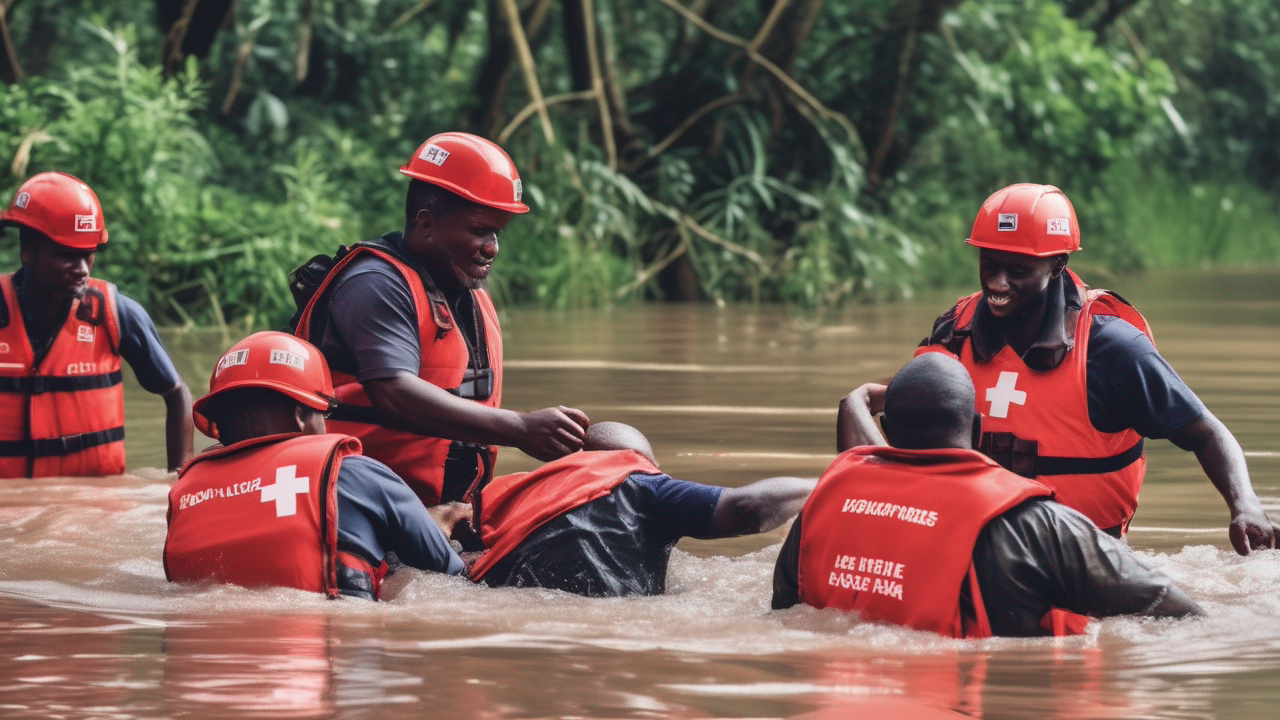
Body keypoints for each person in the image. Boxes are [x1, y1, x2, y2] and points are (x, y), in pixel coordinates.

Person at [909, 183, 1271, 553]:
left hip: (1084, 564)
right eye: (989, 263)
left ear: (1057, 264)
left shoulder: (1114, 350)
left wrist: (1246, 506)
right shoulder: (955, 330)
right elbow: (911, 412)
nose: (997, 282)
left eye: (1017, 269)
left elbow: (1206, 432)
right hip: (969, 548)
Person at [771, 353, 1204, 638]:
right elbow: (1176, 610)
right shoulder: (1035, 524)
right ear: (977, 430)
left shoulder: (822, 509)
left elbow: (785, 615)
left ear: (889, 432)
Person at [292, 132, 588, 511]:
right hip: (362, 504)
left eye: (497, 233)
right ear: (426, 224)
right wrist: (522, 429)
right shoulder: (375, 283)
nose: (492, 247)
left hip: (449, 511)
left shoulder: (467, 291)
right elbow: (394, 393)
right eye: (480, 231)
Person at [164, 331, 464, 600]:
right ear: (301, 416)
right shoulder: (353, 473)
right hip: (333, 650)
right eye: (324, 411)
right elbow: (451, 577)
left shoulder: (184, 494)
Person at [469, 421, 817, 597]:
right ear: (642, 462)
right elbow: (750, 509)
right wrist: (825, 485)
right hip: (609, 617)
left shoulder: (508, 499)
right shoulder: (643, 484)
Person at [0, 172, 192, 478]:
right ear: (28, 250)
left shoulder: (118, 313)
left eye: (88, 256)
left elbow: (177, 393)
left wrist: (180, 484)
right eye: (66, 256)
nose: (81, 270)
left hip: (96, 509)